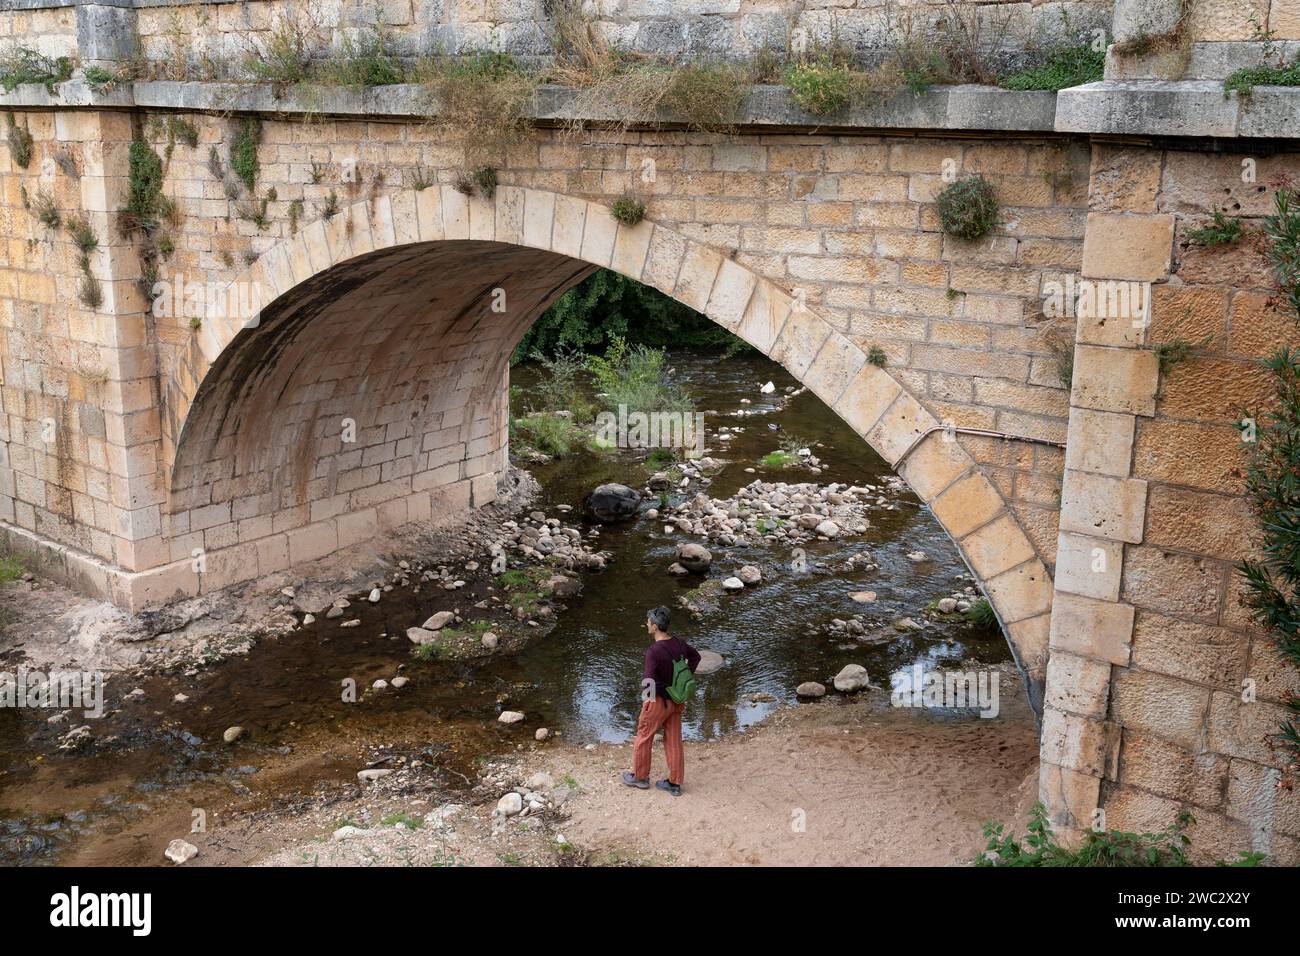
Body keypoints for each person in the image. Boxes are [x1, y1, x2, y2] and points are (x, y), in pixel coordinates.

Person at [622, 605, 700, 796]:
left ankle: (640, 778)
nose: (646, 624)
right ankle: (674, 783)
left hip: (658, 702)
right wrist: (684, 680)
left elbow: (648, 680)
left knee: (644, 736)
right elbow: (695, 657)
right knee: (673, 740)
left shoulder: (653, 652)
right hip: (677, 700)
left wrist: (647, 702)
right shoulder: (679, 643)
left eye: (648, 622)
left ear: (655, 627)